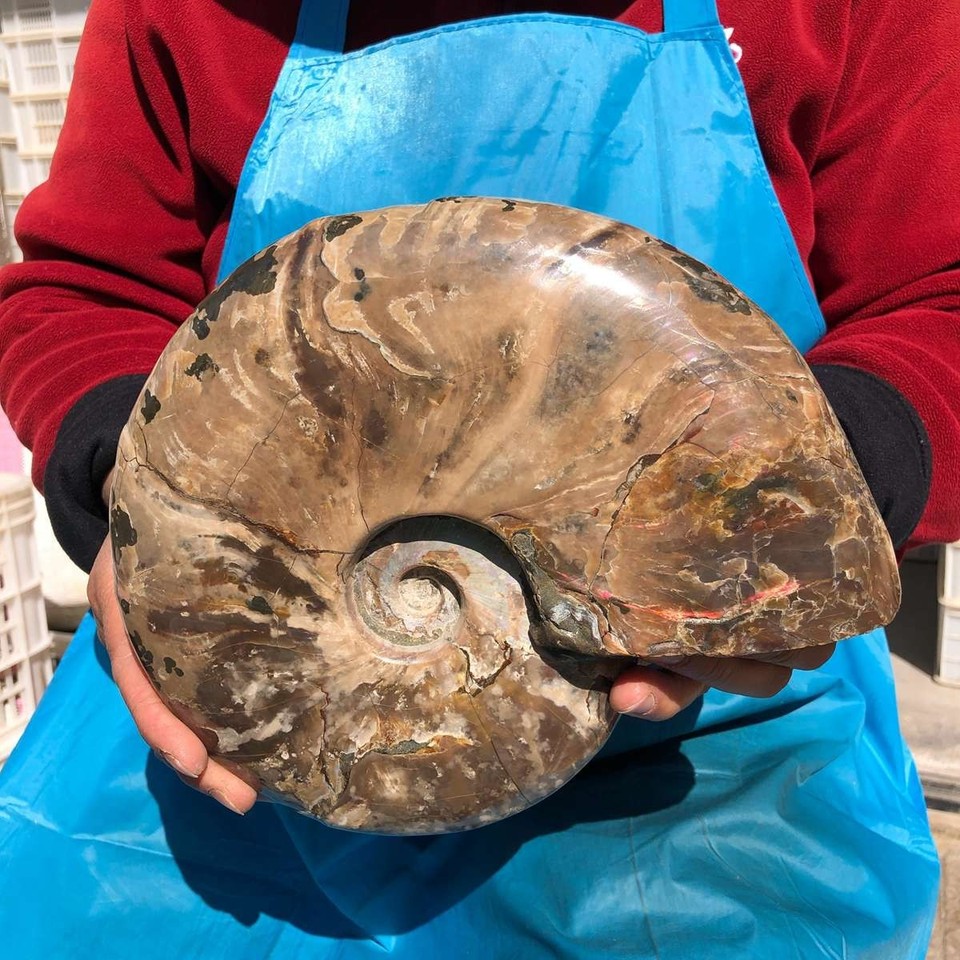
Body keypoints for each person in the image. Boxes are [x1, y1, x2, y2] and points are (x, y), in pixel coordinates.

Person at [0, 0, 955, 956]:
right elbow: (93, 286)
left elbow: (941, 297)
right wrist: (150, 489)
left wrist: (778, 509)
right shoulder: (184, 14)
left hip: (718, 747)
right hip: (241, 683)